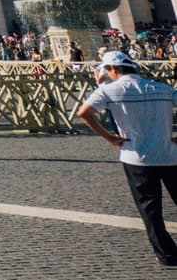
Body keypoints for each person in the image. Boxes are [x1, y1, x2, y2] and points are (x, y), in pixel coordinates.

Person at [76, 50, 177, 266]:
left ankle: (167, 254)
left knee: (150, 208)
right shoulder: (162, 88)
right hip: (169, 154)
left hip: (136, 157)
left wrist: (108, 137)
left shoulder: (108, 91)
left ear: (112, 69)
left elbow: (84, 113)